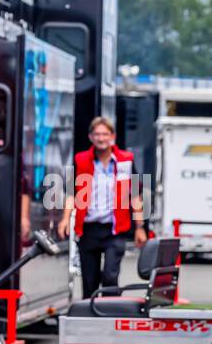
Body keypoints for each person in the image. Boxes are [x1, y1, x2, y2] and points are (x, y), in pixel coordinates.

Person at [58, 116, 148, 297]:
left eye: (105, 134)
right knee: (89, 282)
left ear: (112, 136)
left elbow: (136, 195)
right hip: (88, 229)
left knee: (110, 276)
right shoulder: (81, 160)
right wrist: (65, 219)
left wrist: (140, 227)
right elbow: (71, 193)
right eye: (97, 134)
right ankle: (89, 319)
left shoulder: (126, 161)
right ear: (91, 137)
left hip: (115, 230)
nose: (101, 138)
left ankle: (109, 313)